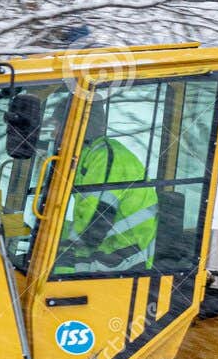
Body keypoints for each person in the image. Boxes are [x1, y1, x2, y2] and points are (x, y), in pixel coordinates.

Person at [55, 97, 157, 274]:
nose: (52, 134)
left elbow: (95, 222)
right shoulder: (88, 157)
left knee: (50, 268)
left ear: (73, 128)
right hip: (108, 246)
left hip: (121, 256)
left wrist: (50, 240)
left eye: (56, 126)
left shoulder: (105, 157)